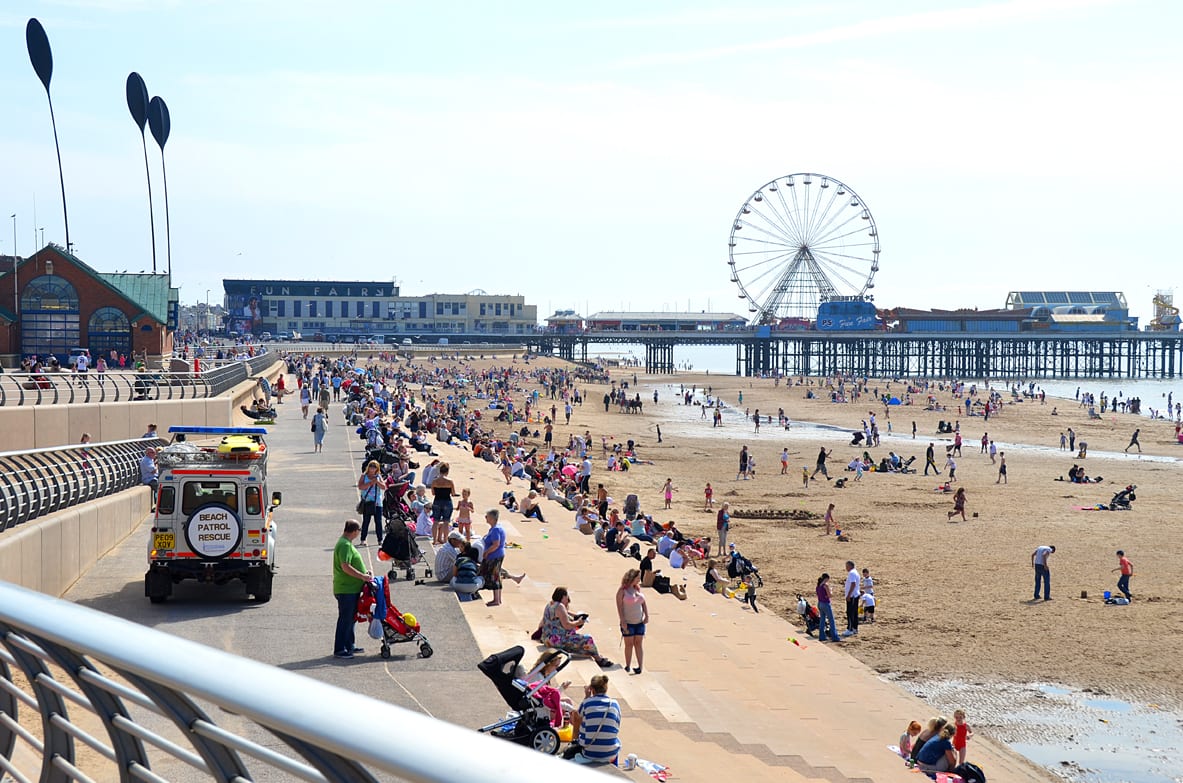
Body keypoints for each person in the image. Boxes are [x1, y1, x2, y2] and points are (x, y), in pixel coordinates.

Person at [539, 587, 613, 667]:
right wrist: (579, 622)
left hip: (547, 638)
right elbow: (567, 625)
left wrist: (577, 616)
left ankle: (596, 655)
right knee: (587, 639)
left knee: (576, 638)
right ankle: (599, 659)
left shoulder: (550, 604)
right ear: (563, 597)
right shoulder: (560, 607)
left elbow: (564, 614)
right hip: (557, 640)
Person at [332, 520, 370, 659]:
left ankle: (349, 645)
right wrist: (362, 576)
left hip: (350, 588)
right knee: (345, 619)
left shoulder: (346, 544)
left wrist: (365, 573)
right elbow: (345, 566)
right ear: (354, 531)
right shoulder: (345, 545)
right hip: (346, 589)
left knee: (351, 618)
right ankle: (340, 648)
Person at [569, 675, 621, 765]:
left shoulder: (587, 703)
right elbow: (616, 726)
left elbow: (576, 719)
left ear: (592, 689)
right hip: (610, 753)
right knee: (615, 740)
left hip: (589, 752)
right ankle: (614, 766)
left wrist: (586, 697)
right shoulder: (615, 704)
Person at [616, 569, 648, 674]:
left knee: (638, 643)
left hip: (639, 622)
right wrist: (622, 621)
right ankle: (628, 665)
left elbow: (643, 603)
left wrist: (647, 615)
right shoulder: (622, 591)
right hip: (628, 622)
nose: (639, 579)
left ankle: (640, 666)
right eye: (638, 577)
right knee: (629, 644)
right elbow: (619, 607)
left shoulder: (637, 589)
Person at [480, 508, 508, 607]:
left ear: (491, 518)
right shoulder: (497, 528)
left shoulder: (496, 529)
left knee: (494, 577)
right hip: (498, 555)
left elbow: (496, 544)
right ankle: (497, 599)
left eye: (487, 516)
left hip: (494, 556)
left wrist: (487, 552)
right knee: (497, 576)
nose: (485, 518)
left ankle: (496, 600)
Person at [356, 460, 387, 546]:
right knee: (366, 521)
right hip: (367, 501)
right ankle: (363, 539)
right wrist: (370, 483)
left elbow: (384, 487)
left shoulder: (378, 476)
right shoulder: (364, 476)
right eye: (371, 466)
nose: (372, 468)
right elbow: (360, 486)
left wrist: (377, 482)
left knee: (378, 522)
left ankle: (380, 539)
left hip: (377, 502)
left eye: (374, 467)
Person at [429, 463, 457, 545]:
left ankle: (434, 540)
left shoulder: (434, 481)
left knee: (435, 521)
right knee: (446, 522)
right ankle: (445, 540)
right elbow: (453, 493)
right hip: (447, 501)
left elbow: (433, 493)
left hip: (437, 501)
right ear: (447, 471)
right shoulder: (449, 481)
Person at [815, 573, 841, 643]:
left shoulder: (818, 586)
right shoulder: (825, 586)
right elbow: (830, 595)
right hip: (826, 604)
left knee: (822, 620)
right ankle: (834, 636)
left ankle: (822, 636)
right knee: (831, 620)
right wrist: (831, 590)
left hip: (820, 603)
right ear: (826, 579)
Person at [843, 560, 860, 637]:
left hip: (852, 596)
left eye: (846, 566)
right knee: (854, 612)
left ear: (850, 566)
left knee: (850, 612)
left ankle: (849, 629)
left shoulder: (852, 573)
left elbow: (853, 584)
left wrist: (849, 595)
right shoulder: (855, 572)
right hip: (855, 595)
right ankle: (854, 628)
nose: (846, 568)